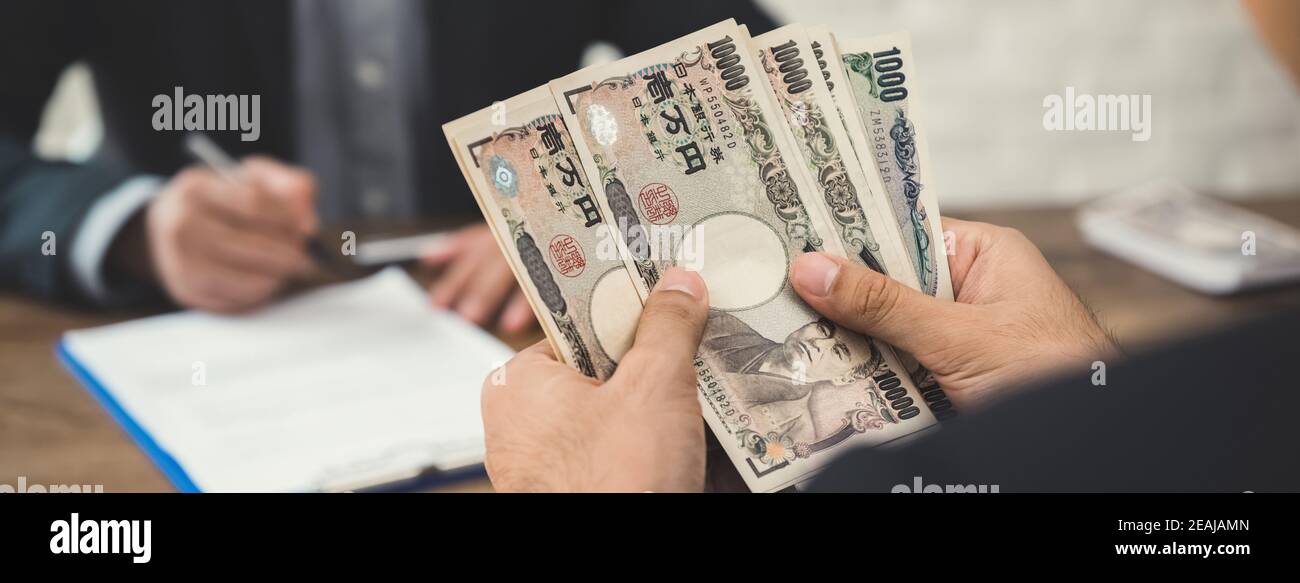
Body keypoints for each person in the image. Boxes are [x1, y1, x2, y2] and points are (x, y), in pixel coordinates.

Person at [0, 0, 775, 330]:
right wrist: (133, 225)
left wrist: (591, 201)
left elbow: (759, 79)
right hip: (179, 337)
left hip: (512, 332)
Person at [481, 219, 1123, 491]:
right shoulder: (726, 332)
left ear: (849, 377)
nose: (821, 334)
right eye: (824, 330)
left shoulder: (846, 455)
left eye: (839, 346)